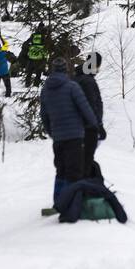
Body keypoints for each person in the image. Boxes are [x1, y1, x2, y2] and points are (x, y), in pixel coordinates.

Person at [40, 55, 99, 208]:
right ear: (66, 70)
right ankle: (73, 203)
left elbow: (44, 115)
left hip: (58, 137)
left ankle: (58, 202)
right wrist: (94, 125)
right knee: (74, 171)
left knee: (61, 170)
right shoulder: (72, 86)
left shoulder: (46, 90)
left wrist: (52, 133)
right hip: (75, 136)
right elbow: (85, 108)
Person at [74, 52, 106, 179]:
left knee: (83, 160)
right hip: (87, 128)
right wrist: (99, 125)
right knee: (85, 161)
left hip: (81, 127)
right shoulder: (87, 81)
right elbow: (91, 106)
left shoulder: (80, 77)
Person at [22, 23, 50, 87]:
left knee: (29, 72)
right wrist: (45, 57)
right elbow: (45, 47)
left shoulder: (34, 35)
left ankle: (27, 84)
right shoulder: (44, 36)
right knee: (38, 73)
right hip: (39, 57)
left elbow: (26, 43)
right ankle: (36, 85)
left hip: (32, 56)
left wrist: (30, 49)